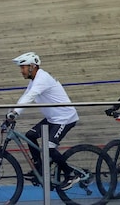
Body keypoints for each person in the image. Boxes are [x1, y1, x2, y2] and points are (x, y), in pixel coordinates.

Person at [5, 52, 78, 190]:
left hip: (65, 118)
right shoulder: (35, 79)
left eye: (23, 67)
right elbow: (25, 95)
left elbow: (31, 96)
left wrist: (15, 113)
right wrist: (12, 112)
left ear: (32, 67)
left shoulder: (42, 78)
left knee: (48, 147)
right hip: (52, 118)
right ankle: (39, 168)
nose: (21, 71)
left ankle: (70, 174)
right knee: (30, 136)